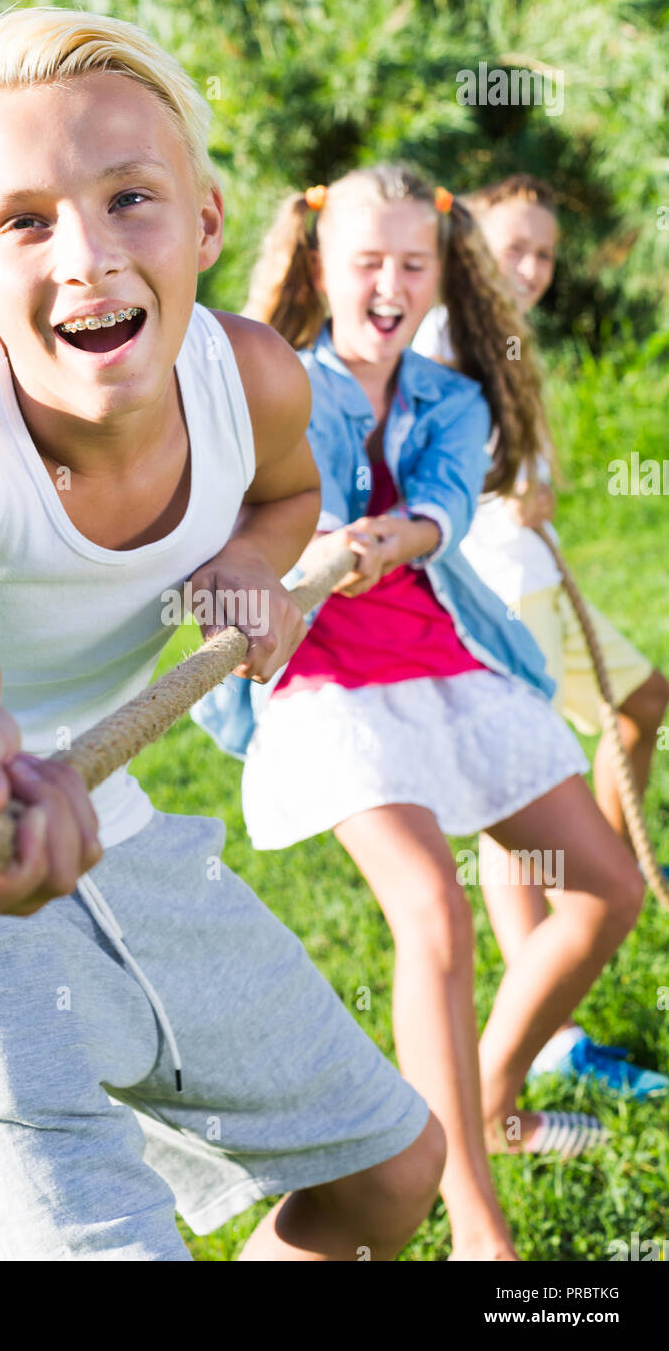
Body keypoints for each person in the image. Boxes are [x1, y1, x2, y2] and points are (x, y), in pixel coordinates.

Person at [0, 11, 445, 1262]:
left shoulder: (253, 378)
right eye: (24, 220)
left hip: (102, 792)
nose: (84, 255)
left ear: (204, 221)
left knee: (389, 1166)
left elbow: (284, 492)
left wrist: (249, 560)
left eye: (128, 197)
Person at [193, 165, 646, 1262]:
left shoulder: (451, 394)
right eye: (366, 262)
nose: (389, 284)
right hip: (331, 685)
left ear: (439, 271)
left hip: (445, 662)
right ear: (318, 264)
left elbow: (441, 504)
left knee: (606, 886)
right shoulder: (276, 384)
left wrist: (396, 537)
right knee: (433, 914)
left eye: (412, 263)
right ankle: (479, 1232)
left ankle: (483, 1091)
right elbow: (243, 520)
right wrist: (311, 550)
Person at [412, 173, 669, 1098]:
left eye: (545, 254)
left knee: (640, 703)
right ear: (466, 244)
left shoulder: (494, 331)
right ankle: (549, 1028)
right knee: (516, 792)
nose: (531, 267)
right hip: (494, 593)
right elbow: (420, 461)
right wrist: (495, 488)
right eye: (512, 246)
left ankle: (615, 850)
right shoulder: (442, 332)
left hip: (533, 577)